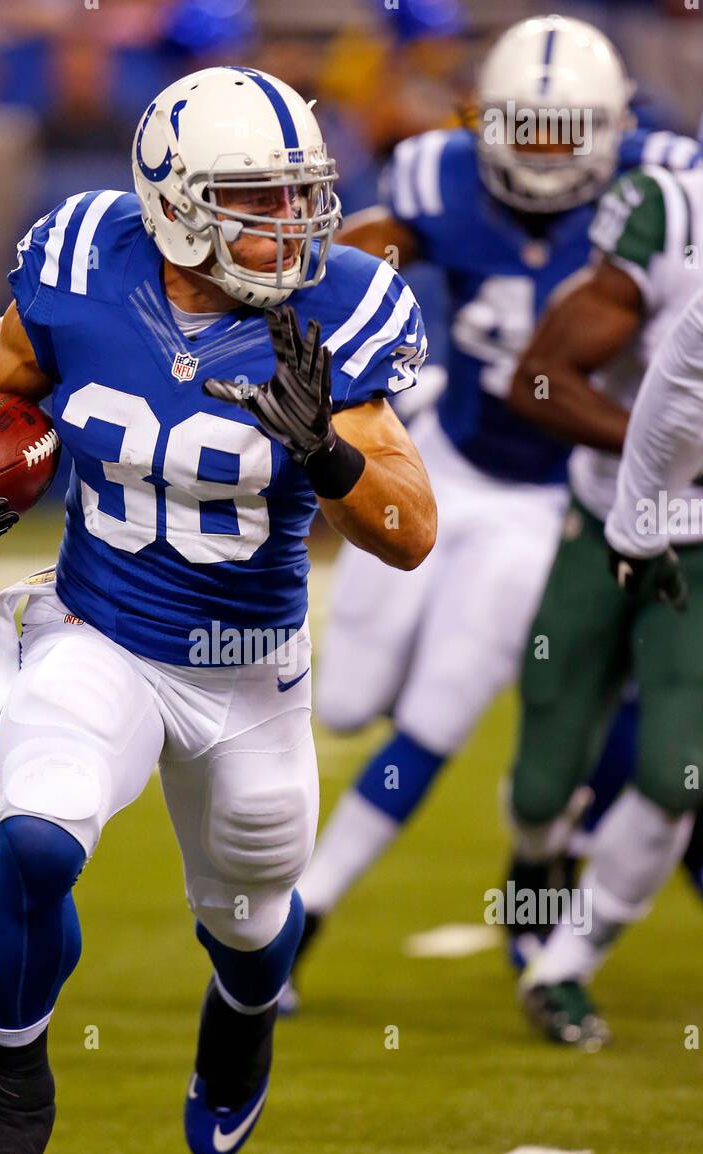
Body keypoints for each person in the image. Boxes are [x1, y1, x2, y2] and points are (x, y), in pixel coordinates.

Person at [0, 65, 436, 1154]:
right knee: (36, 838)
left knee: (248, 919)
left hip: (250, 671)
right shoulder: (85, 261)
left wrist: (330, 458)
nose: (293, 226)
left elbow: (408, 530)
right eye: (258, 199)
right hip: (102, 630)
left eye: (300, 196)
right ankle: (9, 1095)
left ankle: (239, 1021)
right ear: (177, 201)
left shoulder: (335, 308)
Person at [283, 13, 701, 1012]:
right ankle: (541, 879)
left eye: (566, 133)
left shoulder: (664, 181)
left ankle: (305, 911)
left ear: (611, 126)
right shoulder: (436, 174)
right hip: (444, 461)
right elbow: (357, 264)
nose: (542, 154)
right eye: (522, 128)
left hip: (546, 497)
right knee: (343, 703)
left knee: (443, 704)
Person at [503, 164, 703, 1046]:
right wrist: (641, 495)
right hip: (608, 514)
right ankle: (533, 862)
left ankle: (564, 968)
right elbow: (538, 380)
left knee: (673, 773)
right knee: (545, 768)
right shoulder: (673, 219)